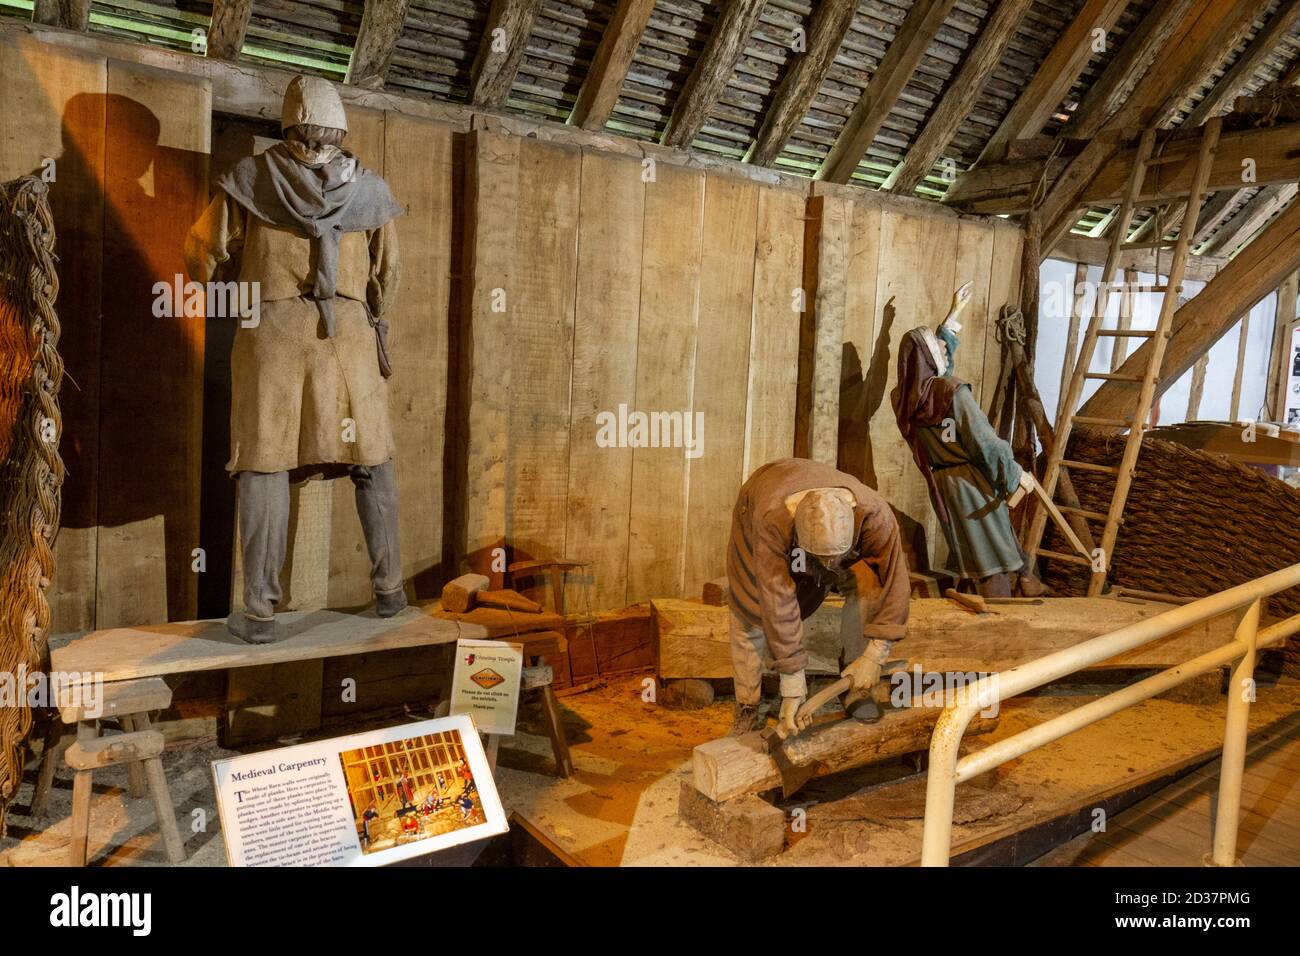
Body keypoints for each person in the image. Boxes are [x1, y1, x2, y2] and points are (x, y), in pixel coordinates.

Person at [185, 74, 407, 644]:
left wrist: (235, 296)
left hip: (273, 337)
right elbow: (389, 278)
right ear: (340, 127)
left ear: (287, 124)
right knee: (371, 456)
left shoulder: (251, 180)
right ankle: (390, 591)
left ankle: (258, 612)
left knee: (265, 461)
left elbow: (200, 256)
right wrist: (361, 312)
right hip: (350, 340)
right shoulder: (372, 193)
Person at [726, 458, 911, 736]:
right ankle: (747, 704)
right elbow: (778, 598)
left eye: (832, 560)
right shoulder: (771, 518)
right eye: (821, 560)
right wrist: (793, 687)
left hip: (837, 532)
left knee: (868, 584)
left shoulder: (875, 516)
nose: (827, 567)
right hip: (761, 497)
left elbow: (895, 584)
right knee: (748, 608)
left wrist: (875, 656)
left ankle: (856, 684)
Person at [890, 282, 1045, 598]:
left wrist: (953, 314)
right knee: (991, 551)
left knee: (974, 547)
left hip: (945, 485)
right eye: (938, 345)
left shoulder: (906, 400)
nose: (944, 348)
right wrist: (1015, 474)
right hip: (972, 483)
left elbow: (934, 369)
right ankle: (999, 608)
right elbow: (986, 443)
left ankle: (1024, 579)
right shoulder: (953, 393)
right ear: (931, 359)